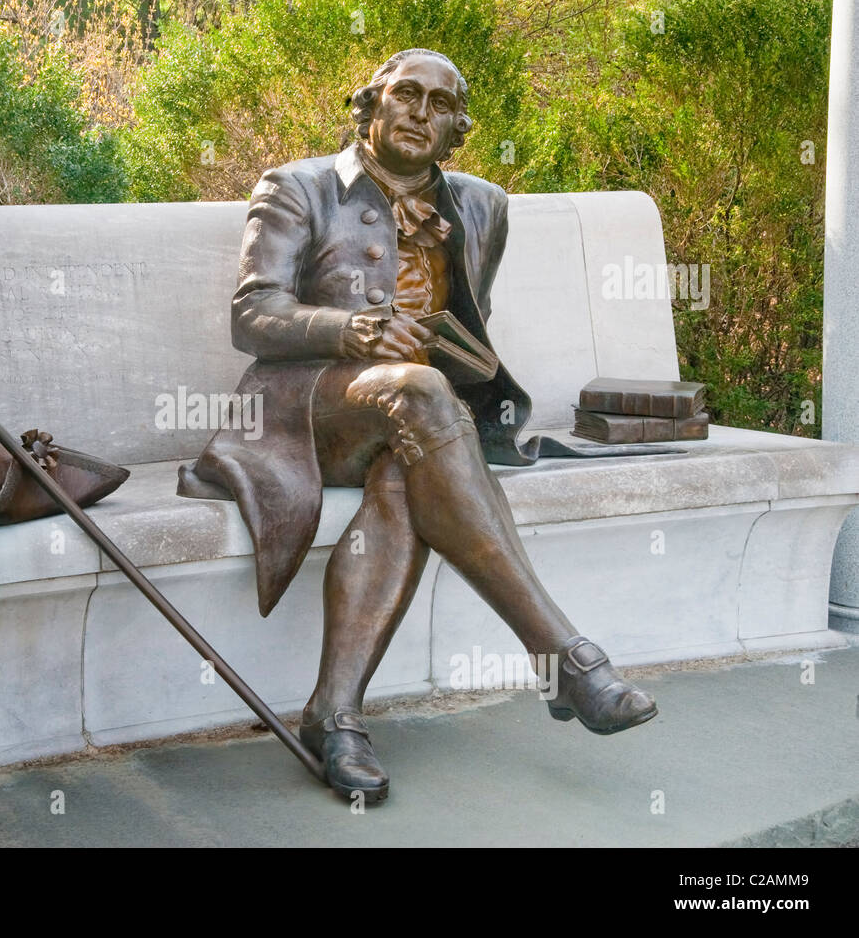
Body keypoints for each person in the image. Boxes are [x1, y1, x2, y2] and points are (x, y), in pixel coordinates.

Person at [177, 48, 659, 801]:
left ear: (457, 127)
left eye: (440, 104)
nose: (420, 113)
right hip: (304, 412)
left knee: (406, 473)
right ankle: (565, 657)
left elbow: (469, 325)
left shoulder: (482, 206)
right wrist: (352, 330)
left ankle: (334, 714)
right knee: (423, 399)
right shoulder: (296, 186)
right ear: (370, 105)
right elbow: (252, 314)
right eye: (406, 94)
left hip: (413, 419)